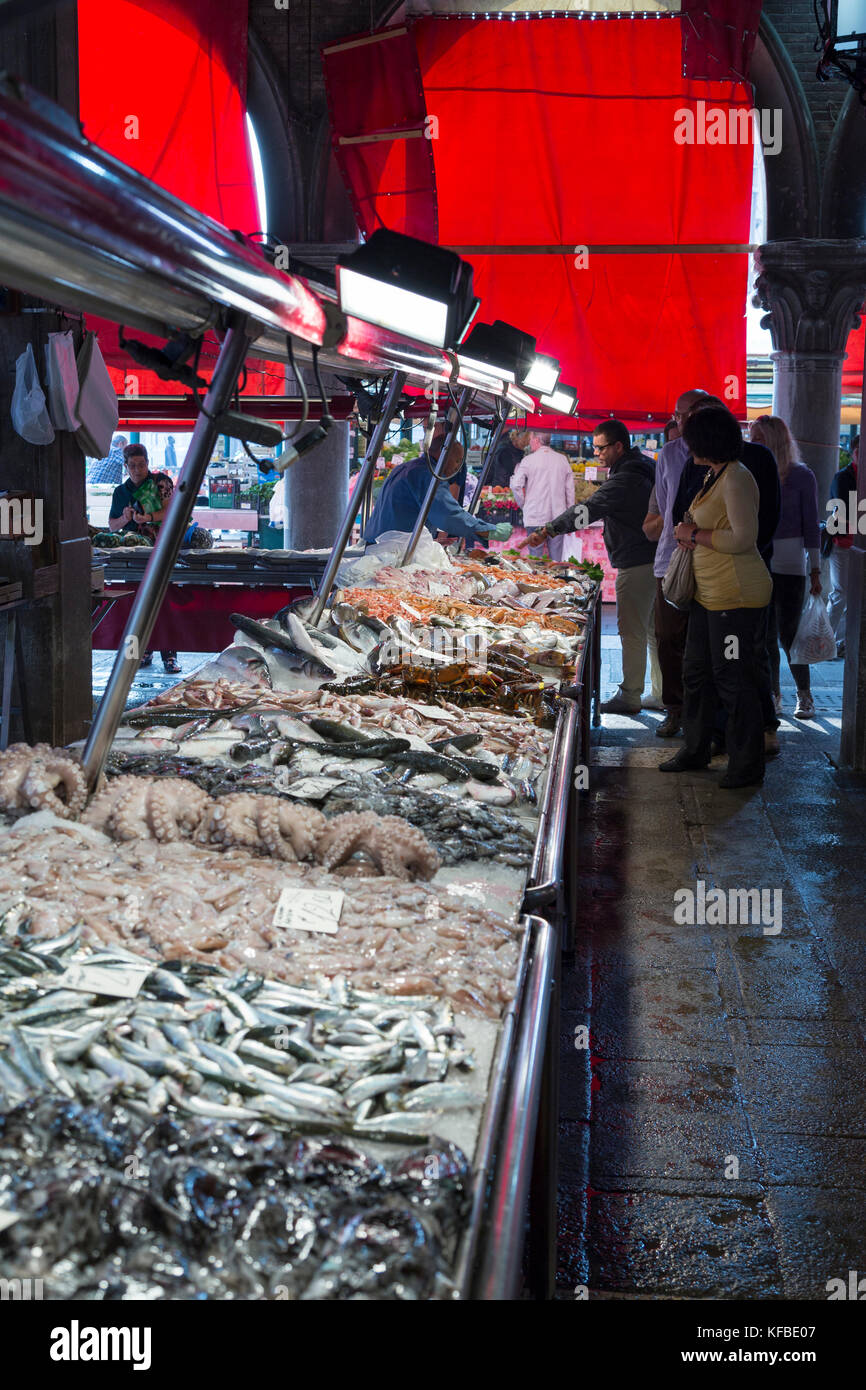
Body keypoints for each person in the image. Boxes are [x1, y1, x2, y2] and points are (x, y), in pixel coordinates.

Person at [659, 406, 772, 789]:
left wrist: (693, 535)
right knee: (696, 674)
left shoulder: (737, 478)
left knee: (733, 678)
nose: (684, 445)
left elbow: (744, 538)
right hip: (708, 597)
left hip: (735, 599)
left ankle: (746, 765)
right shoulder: (715, 474)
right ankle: (695, 749)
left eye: (690, 438)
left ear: (706, 441)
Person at [526, 419, 662, 714]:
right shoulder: (642, 467)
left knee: (632, 629)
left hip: (638, 560)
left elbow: (589, 509)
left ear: (618, 446)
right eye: (594, 447)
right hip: (652, 557)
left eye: (601, 448)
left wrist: (550, 529)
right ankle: (660, 692)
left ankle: (630, 695)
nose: (596, 453)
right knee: (651, 629)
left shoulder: (627, 477)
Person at [642, 388, 707, 737]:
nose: (678, 422)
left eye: (684, 415)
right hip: (670, 559)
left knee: (701, 641)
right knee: (667, 637)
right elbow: (664, 509)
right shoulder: (668, 454)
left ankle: (701, 714)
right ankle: (675, 707)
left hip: (710, 560)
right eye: (677, 415)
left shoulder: (724, 455)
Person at [749, 416, 821, 719]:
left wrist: (815, 569)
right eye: (751, 437)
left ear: (774, 441)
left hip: (791, 562)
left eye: (759, 438)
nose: (752, 444)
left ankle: (804, 695)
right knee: (764, 634)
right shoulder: (751, 472)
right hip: (758, 558)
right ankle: (773, 695)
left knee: (789, 633)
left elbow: (811, 525)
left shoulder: (801, 476)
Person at [364, 429, 511, 547]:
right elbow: (449, 515)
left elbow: (408, 512)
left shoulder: (407, 467)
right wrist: (490, 530)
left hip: (380, 543)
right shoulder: (428, 475)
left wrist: (427, 542)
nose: (457, 467)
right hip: (389, 550)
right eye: (457, 460)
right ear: (443, 453)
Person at [108, 444, 179, 673]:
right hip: (133, 556)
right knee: (134, 604)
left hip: (162, 550)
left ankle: (170, 655)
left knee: (164, 602)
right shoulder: (121, 492)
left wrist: (148, 517)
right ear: (125, 467)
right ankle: (140, 652)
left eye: (141, 465)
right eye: (132, 466)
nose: (137, 470)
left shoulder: (161, 483)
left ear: (148, 463)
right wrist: (125, 517)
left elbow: (172, 511)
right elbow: (112, 526)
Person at [509, 430, 576, 560]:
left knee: (535, 559)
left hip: (535, 515)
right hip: (558, 517)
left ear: (536, 440)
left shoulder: (528, 460)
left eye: (530, 439)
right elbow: (570, 490)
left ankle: (537, 580)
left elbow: (516, 485)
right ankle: (556, 580)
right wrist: (569, 514)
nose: (529, 442)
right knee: (556, 561)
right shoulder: (562, 460)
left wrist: (524, 504)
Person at [827, 434, 858, 659]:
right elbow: (843, 513)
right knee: (841, 593)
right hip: (842, 543)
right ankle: (824, 641)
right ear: (853, 452)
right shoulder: (843, 477)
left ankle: (842, 642)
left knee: (852, 597)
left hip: (858, 544)